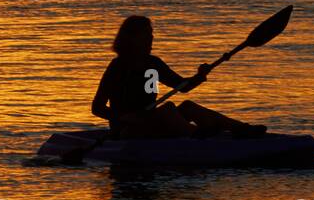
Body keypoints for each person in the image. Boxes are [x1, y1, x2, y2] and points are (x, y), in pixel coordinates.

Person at [92, 14, 266, 140]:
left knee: (188, 106)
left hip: (153, 122)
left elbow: (182, 86)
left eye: (151, 34)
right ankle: (197, 136)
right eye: (146, 34)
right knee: (168, 108)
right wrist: (125, 117)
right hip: (128, 129)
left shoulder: (153, 63)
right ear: (132, 38)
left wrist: (200, 76)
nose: (151, 38)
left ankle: (241, 129)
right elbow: (97, 108)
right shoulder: (118, 67)